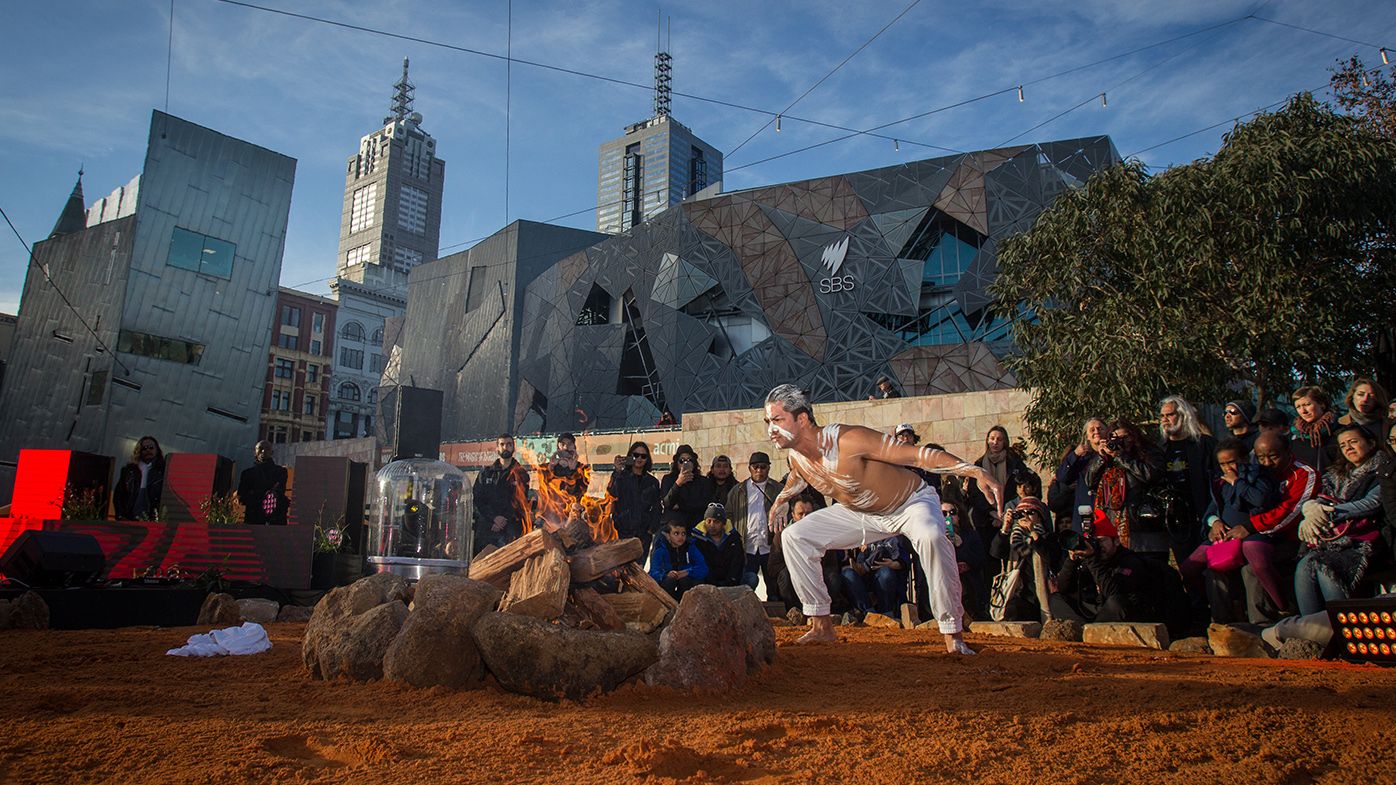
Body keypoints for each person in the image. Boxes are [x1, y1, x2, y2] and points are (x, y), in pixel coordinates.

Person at [763, 384, 1003, 653]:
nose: (770, 429)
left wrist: (974, 471)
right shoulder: (797, 455)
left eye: (777, 420)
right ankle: (821, 624)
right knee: (795, 536)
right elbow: (798, 477)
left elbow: (918, 455)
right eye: (767, 422)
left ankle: (952, 633)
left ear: (802, 419)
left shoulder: (848, 439)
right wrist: (781, 502)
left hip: (909, 504)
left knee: (932, 537)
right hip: (860, 513)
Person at [1177, 438, 1283, 622]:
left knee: (1253, 568)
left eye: (1232, 462)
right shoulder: (1221, 482)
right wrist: (1214, 522)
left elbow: (1260, 500)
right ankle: (1219, 616)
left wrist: (1238, 483)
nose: (1227, 468)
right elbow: (1213, 508)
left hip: (1253, 534)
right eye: (1223, 464)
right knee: (1189, 568)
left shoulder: (1259, 476)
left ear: (1244, 459)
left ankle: (1277, 610)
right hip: (1223, 537)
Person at [1293, 423, 1391, 615]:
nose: (1349, 448)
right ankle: (1310, 628)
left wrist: (1328, 511)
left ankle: (1343, 626)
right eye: (1344, 445)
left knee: (1326, 568)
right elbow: (1321, 497)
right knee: (1305, 565)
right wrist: (1310, 511)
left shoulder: (1383, 469)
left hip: (1365, 540)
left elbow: (1372, 503)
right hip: (1332, 539)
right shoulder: (1336, 474)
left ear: (1371, 443)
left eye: (1354, 442)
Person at [1049, 512, 1174, 625]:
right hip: (1100, 611)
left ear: (1116, 541)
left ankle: (1091, 631)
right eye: (1094, 541)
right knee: (1056, 599)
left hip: (1127, 612)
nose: (1098, 546)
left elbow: (1114, 594)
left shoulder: (1131, 562)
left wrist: (1092, 559)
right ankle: (1084, 630)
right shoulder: (1093, 558)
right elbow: (1063, 588)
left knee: (1116, 603)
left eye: (1102, 541)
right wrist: (1071, 561)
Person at [1084, 419, 1164, 557]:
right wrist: (1101, 458)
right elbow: (1089, 481)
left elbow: (1149, 475)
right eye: (1116, 438)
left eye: (1125, 437)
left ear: (1134, 436)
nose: (1122, 442)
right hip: (1115, 525)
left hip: (1143, 525)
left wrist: (1122, 457)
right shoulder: (1109, 458)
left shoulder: (1147, 452)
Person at [1157, 395, 1219, 564]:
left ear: (1184, 415)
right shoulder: (1159, 450)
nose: (1165, 420)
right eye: (1162, 416)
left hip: (1205, 516)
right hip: (1177, 522)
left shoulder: (1205, 445)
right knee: (1187, 568)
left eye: (1170, 415)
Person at [770, 495, 845, 613]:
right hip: (793, 575)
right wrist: (796, 569)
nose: (804, 518)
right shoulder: (781, 536)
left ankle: (828, 612)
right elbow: (773, 567)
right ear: (793, 515)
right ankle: (796, 612)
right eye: (800, 514)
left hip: (818, 573)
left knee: (833, 577)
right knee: (784, 576)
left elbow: (832, 564)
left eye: (808, 514)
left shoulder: (823, 535)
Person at [989, 496, 1057, 622]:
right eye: (1021, 513)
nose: (1025, 517)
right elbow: (995, 553)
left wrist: (1033, 532)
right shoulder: (1012, 538)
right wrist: (1005, 528)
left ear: (1040, 516)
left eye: (1030, 513)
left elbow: (1050, 557)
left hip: (1043, 595)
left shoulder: (1047, 538)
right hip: (1019, 595)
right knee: (1012, 611)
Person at [727, 451, 784, 597]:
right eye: (755, 466)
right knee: (747, 585)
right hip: (747, 545)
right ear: (750, 468)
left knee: (774, 588)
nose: (759, 470)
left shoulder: (778, 489)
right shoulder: (738, 491)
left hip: (770, 546)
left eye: (763, 467)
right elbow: (729, 515)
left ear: (768, 468)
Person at [965, 426, 1029, 550]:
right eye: (992, 438)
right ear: (987, 441)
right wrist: (992, 513)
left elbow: (1020, 488)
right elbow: (974, 494)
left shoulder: (1014, 463)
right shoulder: (978, 465)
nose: (995, 442)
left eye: (999, 439)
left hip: (1011, 516)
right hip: (985, 521)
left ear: (1005, 442)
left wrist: (1005, 514)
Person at [472, 434, 531, 554]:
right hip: (487, 529)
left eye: (509, 444)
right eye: (502, 444)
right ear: (497, 448)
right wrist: (493, 518)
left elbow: (520, 500)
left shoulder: (521, 474)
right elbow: (478, 499)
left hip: (511, 529)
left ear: (513, 448)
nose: (506, 447)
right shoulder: (486, 473)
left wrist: (503, 520)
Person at [609, 440, 660, 561]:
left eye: (643, 456)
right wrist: (617, 471)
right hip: (622, 530)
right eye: (635, 455)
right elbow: (612, 493)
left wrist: (651, 528)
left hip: (643, 532)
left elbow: (657, 506)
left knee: (638, 568)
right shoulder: (621, 477)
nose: (639, 458)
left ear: (647, 459)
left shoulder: (652, 482)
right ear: (630, 456)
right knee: (620, 567)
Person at [1054, 417, 1107, 533]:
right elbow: (1062, 477)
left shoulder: (1115, 455)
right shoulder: (1082, 459)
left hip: (1108, 513)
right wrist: (1075, 455)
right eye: (1092, 430)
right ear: (1087, 436)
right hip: (1086, 514)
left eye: (1100, 428)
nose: (1096, 432)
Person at [840, 535, 912, 618]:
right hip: (865, 581)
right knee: (847, 574)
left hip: (884, 580)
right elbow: (847, 558)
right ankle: (869, 614)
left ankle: (886, 613)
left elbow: (905, 560)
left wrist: (894, 564)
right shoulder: (863, 534)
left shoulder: (896, 537)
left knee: (886, 572)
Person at [648, 517, 708, 600]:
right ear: (668, 535)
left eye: (683, 534)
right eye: (676, 534)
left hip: (684, 584)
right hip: (668, 585)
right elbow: (653, 573)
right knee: (669, 581)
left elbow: (703, 568)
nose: (681, 537)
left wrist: (687, 572)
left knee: (687, 580)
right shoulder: (660, 549)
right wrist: (666, 575)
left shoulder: (690, 546)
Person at [659, 444, 714, 527]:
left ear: (694, 462)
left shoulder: (703, 481)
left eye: (689, 460)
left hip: (696, 526)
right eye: (681, 461)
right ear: (676, 463)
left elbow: (704, 504)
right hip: (675, 527)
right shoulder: (668, 479)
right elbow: (667, 503)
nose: (685, 463)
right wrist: (678, 483)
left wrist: (681, 506)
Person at [237, 440, 288, 526]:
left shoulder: (281, 472)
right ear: (255, 452)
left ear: (272, 452)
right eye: (260, 448)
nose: (263, 451)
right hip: (254, 517)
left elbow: (279, 492)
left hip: (275, 519)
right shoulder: (247, 474)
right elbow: (242, 497)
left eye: (267, 448)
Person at [114, 436, 165, 521]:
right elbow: (118, 495)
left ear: (157, 450)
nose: (148, 450)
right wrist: (120, 515)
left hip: (152, 519)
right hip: (130, 518)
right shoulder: (129, 471)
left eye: (151, 447)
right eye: (144, 448)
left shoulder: (163, 471)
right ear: (139, 450)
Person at [1291, 385, 1338, 477]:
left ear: (1322, 404)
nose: (1303, 411)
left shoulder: (1339, 432)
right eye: (1298, 407)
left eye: (1307, 405)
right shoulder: (1294, 436)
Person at [692, 503, 743, 587]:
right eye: (709, 521)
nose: (712, 525)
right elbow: (700, 565)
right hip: (707, 582)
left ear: (724, 524)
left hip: (730, 581)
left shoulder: (734, 538)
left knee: (751, 578)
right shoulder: (698, 539)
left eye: (716, 522)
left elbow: (738, 562)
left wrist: (730, 581)